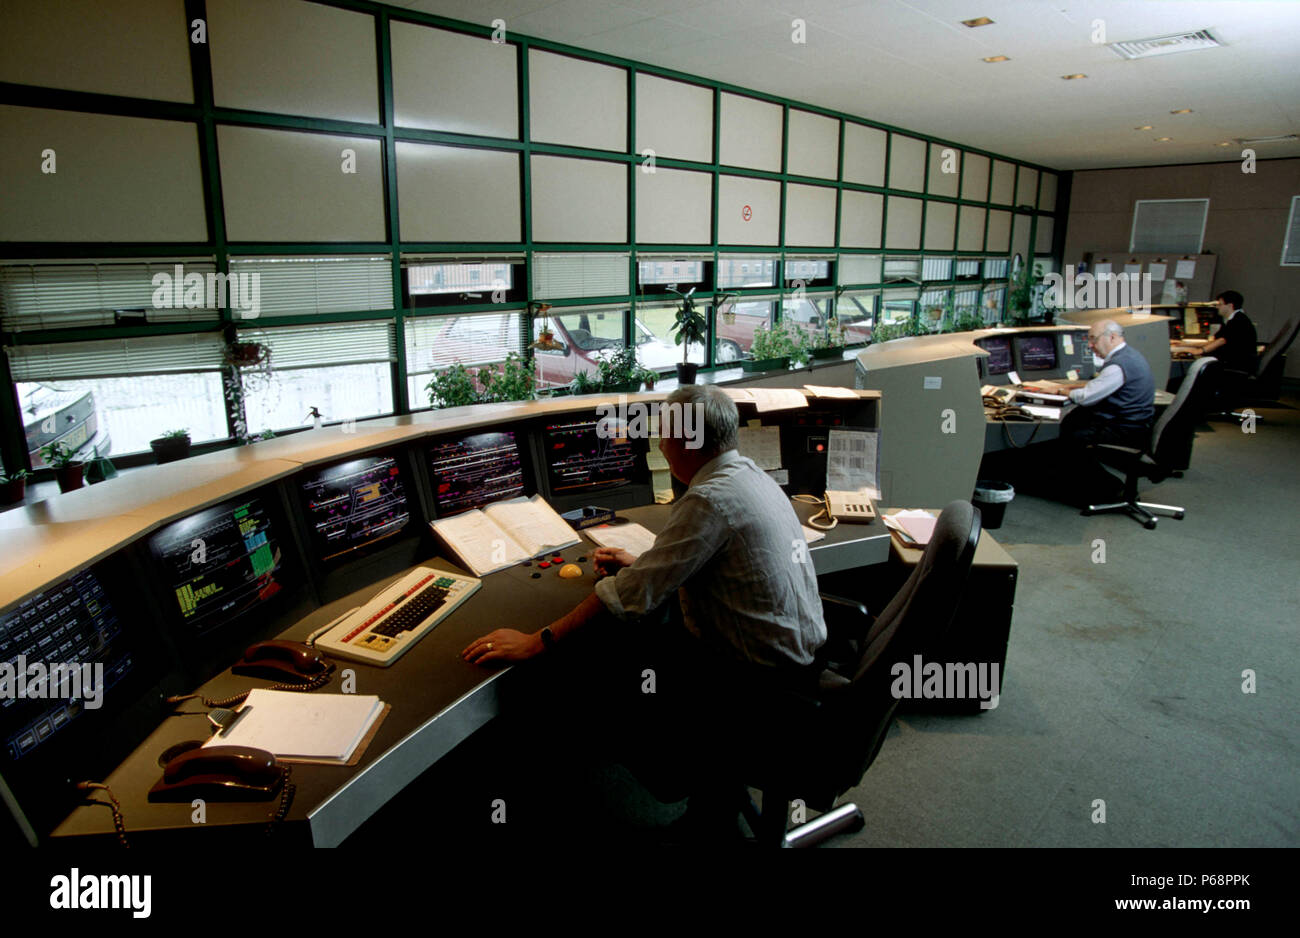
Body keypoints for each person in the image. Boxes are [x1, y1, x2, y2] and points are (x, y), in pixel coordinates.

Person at [461, 383, 827, 836]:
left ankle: (665, 779)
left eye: (663, 435)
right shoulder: (749, 474)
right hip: (795, 664)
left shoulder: (708, 500)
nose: (658, 445)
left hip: (753, 685)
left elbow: (625, 598)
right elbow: (707, 560)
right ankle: (712, 800)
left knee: (602, 665)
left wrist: (537, 642)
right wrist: (648, 565)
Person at [1057, 319, 1155, 504]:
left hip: (1123, 430)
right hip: (1136, 425)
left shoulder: (1118, 365)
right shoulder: (1130, 356)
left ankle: (1111, 489)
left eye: (1093, 339)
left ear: (1112, 337)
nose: (1090, 345)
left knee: (1071, 438)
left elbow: (1086, 397)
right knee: (1074, 424)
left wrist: (1062, 391)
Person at [1200, 290, 1257, 403]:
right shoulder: (1233, 319)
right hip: (1234, 362)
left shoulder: (1238, 321)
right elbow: (1216, 339)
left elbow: (1221, 341)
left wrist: (1199, 351)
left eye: (1220, 304)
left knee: (1201, 368)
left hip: (1235, 365)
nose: (1217, 307)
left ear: (1230, 306)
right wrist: (1185, 345)